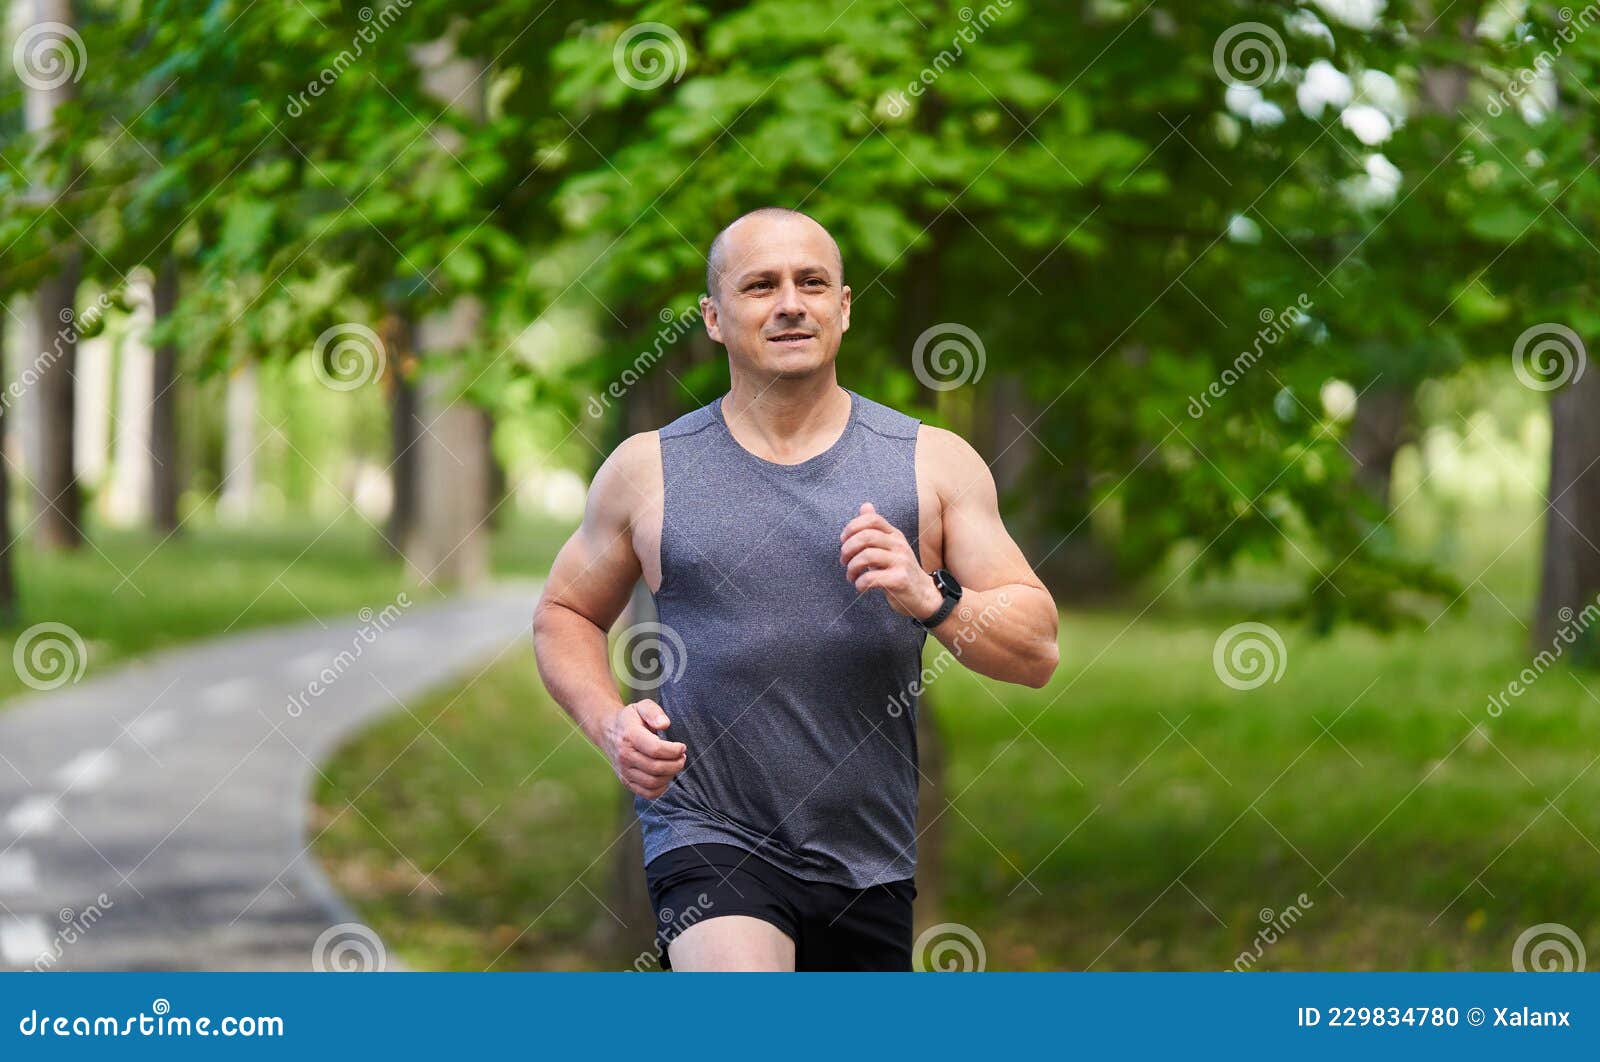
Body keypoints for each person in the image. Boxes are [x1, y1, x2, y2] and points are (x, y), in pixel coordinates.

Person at [532, 206, 1059, 971]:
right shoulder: (648, 469)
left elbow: (1037, 648)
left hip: (869, 856)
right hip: (708, 831)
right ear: (715, 318)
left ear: (842, 308)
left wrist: (931, 595)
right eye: (760, 286)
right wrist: (608, 724)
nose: (789, 303)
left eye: (812, 282)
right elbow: (565, 611)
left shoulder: (932, 464)